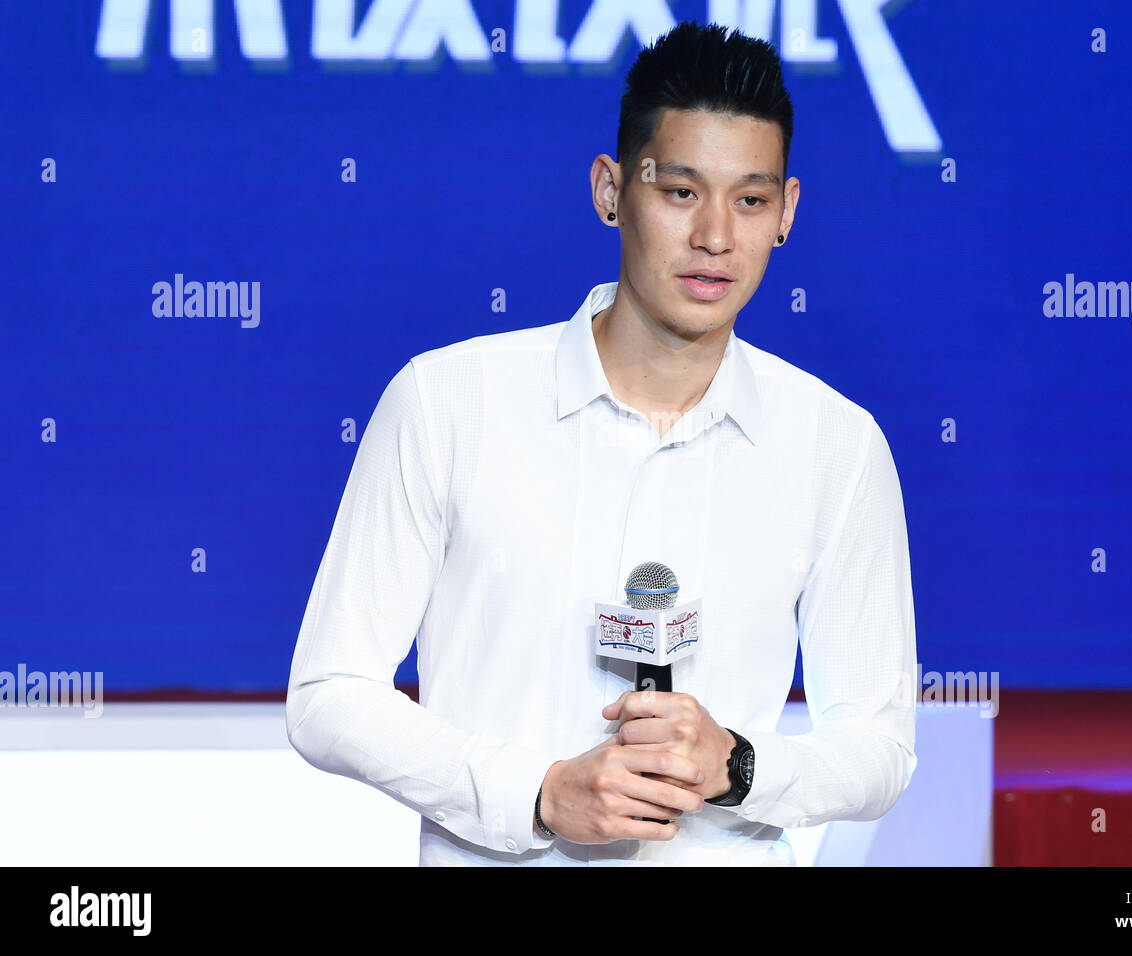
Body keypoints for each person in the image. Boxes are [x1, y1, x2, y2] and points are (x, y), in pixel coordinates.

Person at [286, 19, 917, 866]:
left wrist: (735, 763)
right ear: (611, 190)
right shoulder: (447, 403)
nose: (716, 238)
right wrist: (537, 793)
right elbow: (328, 696)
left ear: (787, 213)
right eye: (682, 192)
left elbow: (880, 750)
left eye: (751, 199)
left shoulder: (836, 446)